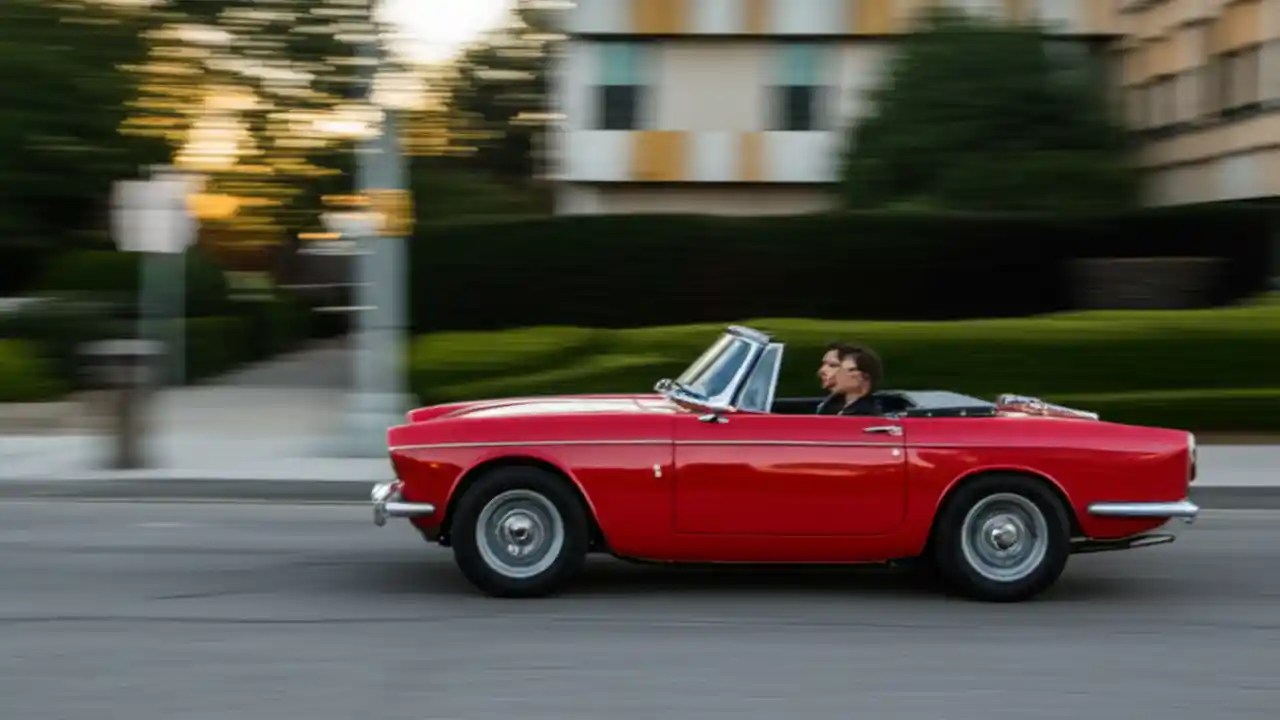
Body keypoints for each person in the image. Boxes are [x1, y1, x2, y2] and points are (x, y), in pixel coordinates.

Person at [815, 341, 885, 416]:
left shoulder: (866, 416)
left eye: (833, 365)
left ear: (864, 376)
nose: (821, 371)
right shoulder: (831, 406)